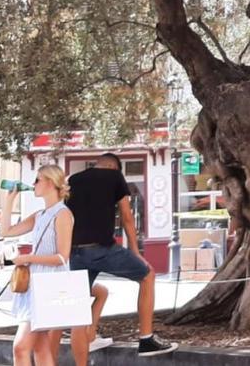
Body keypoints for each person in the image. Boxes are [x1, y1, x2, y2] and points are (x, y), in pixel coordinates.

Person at [67, 153, 176, 357]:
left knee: (78, 312)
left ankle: (88, 340)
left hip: (76, 251)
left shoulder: (74, 180)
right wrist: (135, 251)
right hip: (102, 248)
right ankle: (146, 339)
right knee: (147, 276)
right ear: (113, 167)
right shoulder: (114, 176)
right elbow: (126, 216)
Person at [0, 165, 76, 366]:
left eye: (38, 180)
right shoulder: (40, 214)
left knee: (21, 347)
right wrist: (10, 199)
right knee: (40, 347)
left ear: (50, 183)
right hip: (35, 286)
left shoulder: (63, 214)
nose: (33, 184)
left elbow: (62, 257)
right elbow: (5, 231)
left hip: (49, 286)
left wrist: (28, 259)